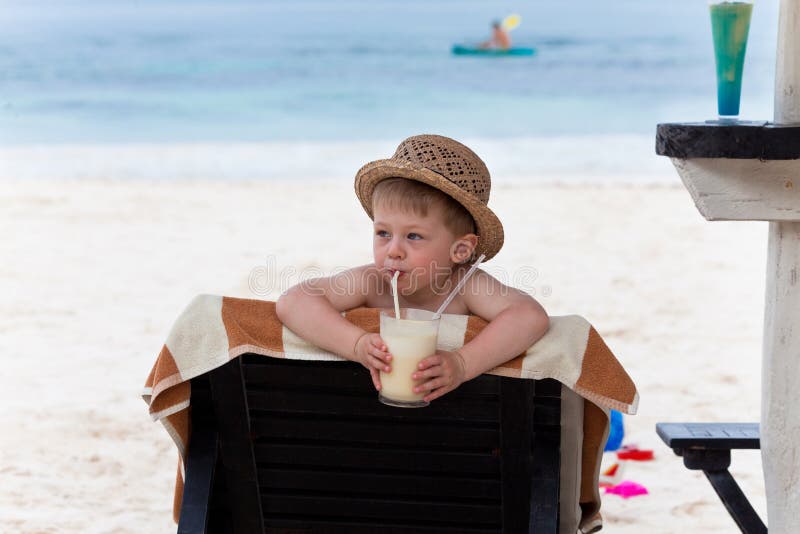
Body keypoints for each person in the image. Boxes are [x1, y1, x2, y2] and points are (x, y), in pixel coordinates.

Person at [276, 134, 548, 403]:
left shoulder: (465, 285)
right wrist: (357, 344)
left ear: (461, 250)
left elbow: (530, 316)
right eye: (383, 233)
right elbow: (294, 301)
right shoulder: (372, 280)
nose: (392, 250)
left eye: (413, 236)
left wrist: (462, 363)